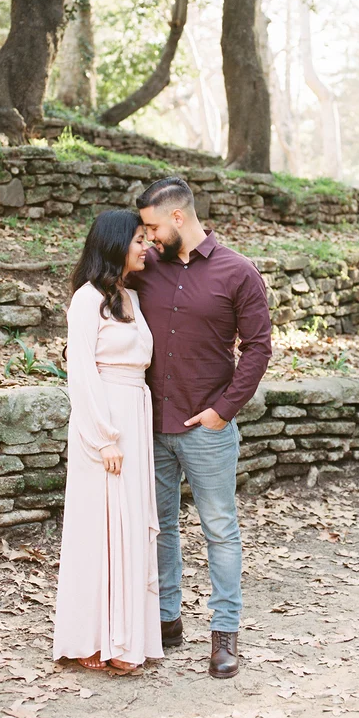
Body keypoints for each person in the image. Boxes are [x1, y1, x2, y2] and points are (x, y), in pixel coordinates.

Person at [130, 177, 273, 679]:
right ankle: (167, 621)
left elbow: (258, 348)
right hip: (150, 425)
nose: (145, 237)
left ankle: (225, 635)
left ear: (177, 218)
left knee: (219, 529)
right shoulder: (143, 270)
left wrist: (224, 410)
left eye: (150, 226)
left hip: (207, 429)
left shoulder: (238, 272)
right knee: (160, 527)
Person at [53, 209, 163, 673]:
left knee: (130, 527)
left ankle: (126, 638)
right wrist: (104, 438)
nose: (147, 247)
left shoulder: (132, 299)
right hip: (103, 427)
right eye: (139, 239)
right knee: (98, 529)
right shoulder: (86, 300)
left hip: (135, 416)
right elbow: (81, 373)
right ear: (116, 244)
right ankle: (92, 639)